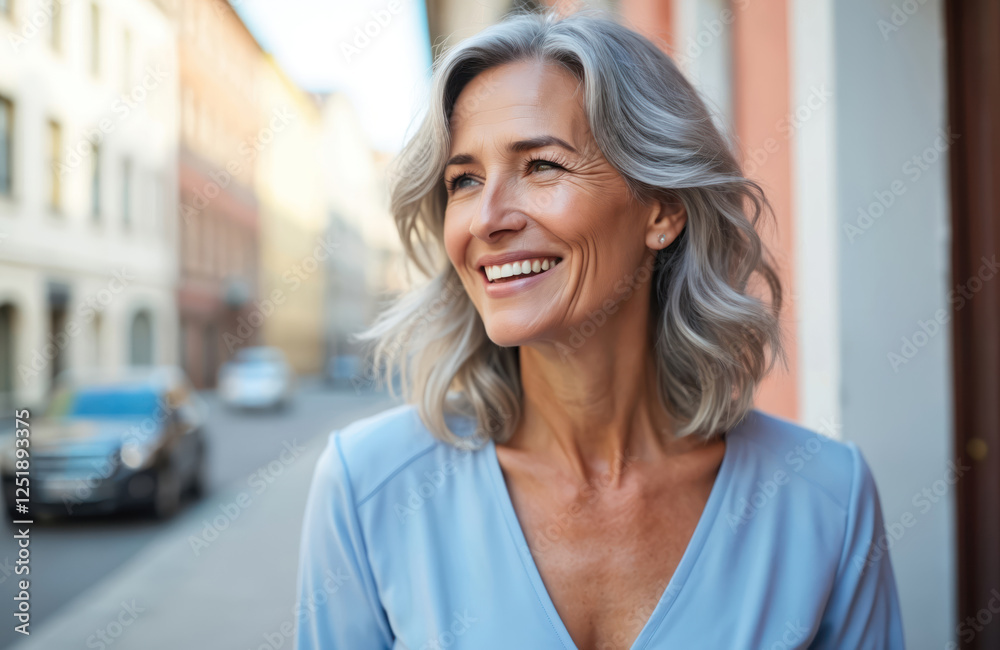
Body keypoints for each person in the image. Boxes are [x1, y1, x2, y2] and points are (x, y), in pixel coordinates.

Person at [294, 9, 905, 650]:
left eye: (542, 167)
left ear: (663, 208)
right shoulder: (367, 491)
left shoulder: (826, 498)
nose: (487, 219)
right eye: (465, 180)